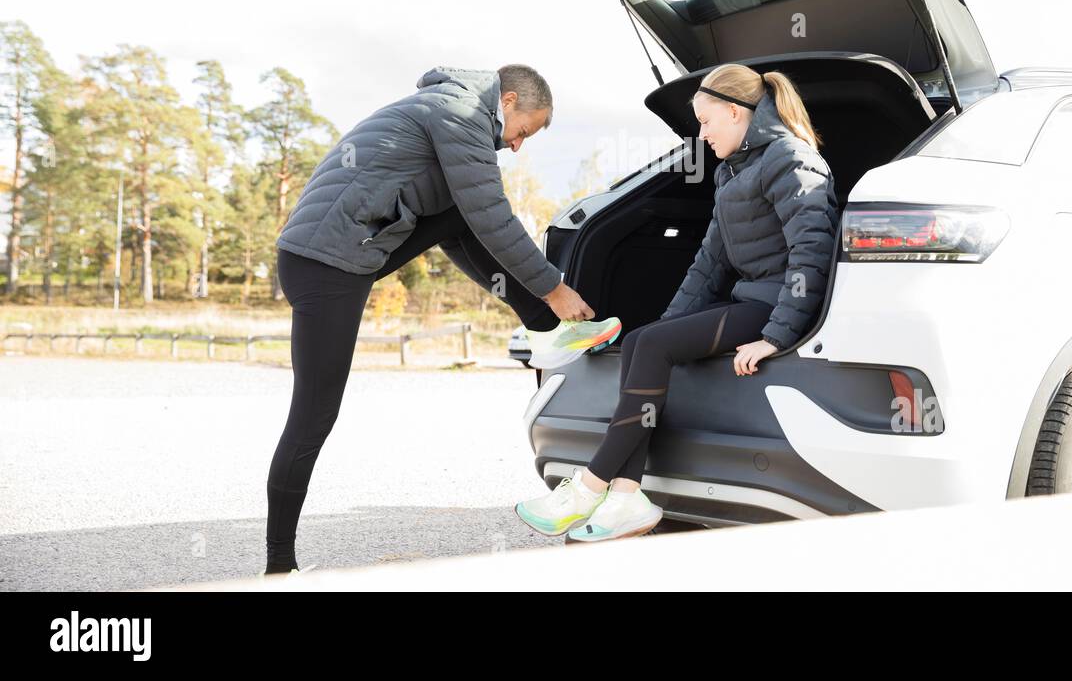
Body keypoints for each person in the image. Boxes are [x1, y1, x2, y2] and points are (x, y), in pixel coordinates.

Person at [264, 63, 619, 575]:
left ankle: (543, 331)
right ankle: (279, 568)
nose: (518, 145)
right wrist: (554, 288)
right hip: (325, 264)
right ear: (511, 101)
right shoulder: (460, 114)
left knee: (456, 213)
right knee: (314, 414)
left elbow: (467, 220)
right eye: (523, 132)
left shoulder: (457, 108)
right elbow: (494, 215)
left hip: (349, 250)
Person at [514, 63, 838, 542]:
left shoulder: (792, 159)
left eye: (706, 122)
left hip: (772, 307)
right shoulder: (733, 170)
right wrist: (666, 327)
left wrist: (776, 337)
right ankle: (625, 496)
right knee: (646, 340)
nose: (701, 135)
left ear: (734, 112)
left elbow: (812, 256)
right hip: (750, 299)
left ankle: (589, 485)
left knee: (653, 344)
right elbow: (709, 263)